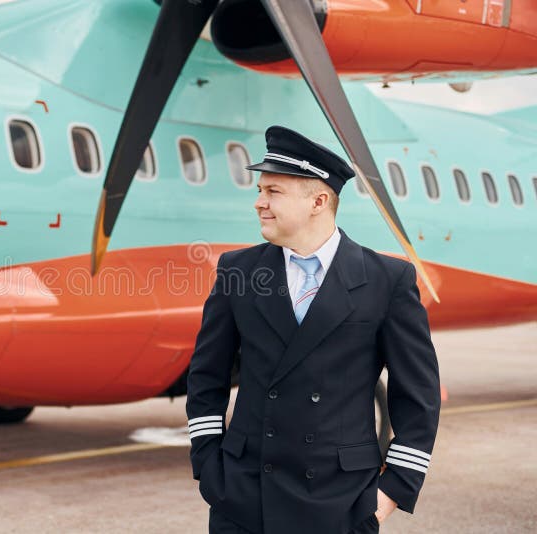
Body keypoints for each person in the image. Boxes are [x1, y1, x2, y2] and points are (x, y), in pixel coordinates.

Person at [185, 126, 441, 533]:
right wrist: (209, 466)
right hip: (244, 497)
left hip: (342, 502)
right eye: (260, 190)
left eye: (273, 192)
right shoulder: (238, 271)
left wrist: (392, 490)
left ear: (318, 201)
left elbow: (418, 395)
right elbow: (205, 377)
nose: (259, 203)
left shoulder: (387, 280)